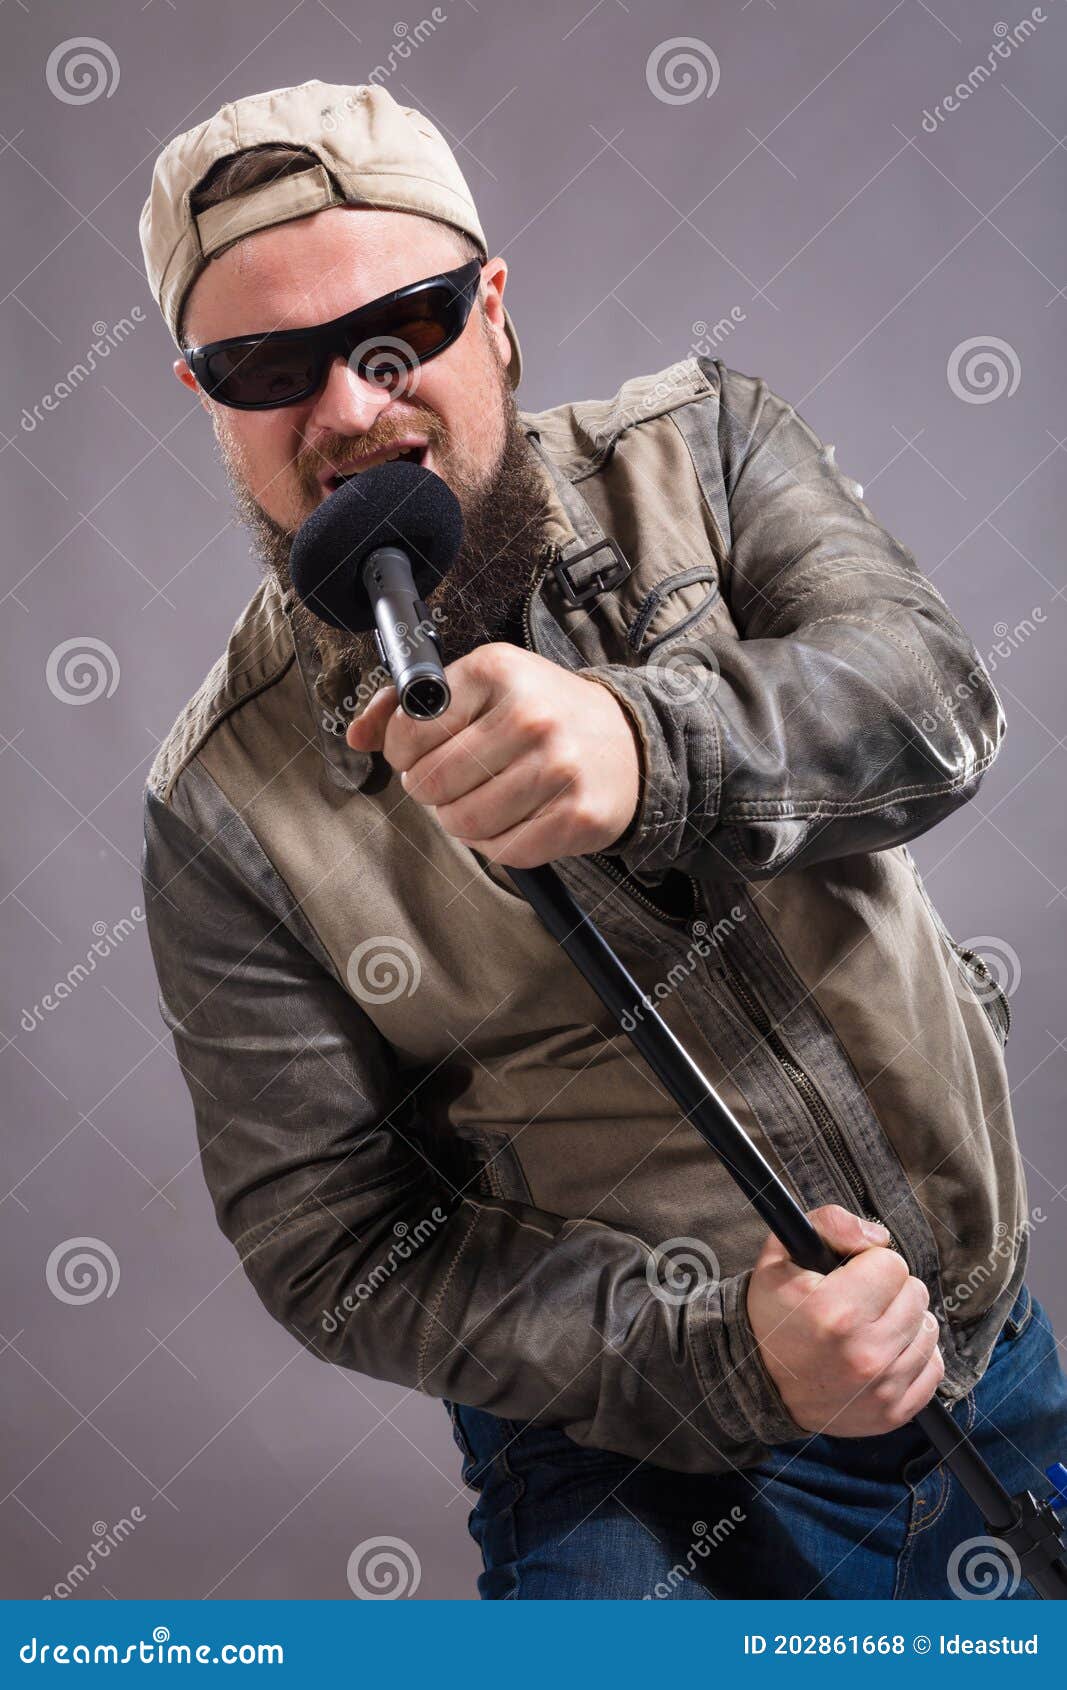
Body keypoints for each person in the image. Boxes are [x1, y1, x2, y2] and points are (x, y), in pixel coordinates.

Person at [138, 79, 1067, 1599]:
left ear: (494, 311)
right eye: (265, 365)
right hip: (623, 1461)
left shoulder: (708, 449)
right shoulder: (219, 806)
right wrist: (726, 1353)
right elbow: (329, 1244)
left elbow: (936, 697)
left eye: (402, 329)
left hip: (983, 1353)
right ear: (208, 402)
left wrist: (654, 744)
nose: (351, 409)